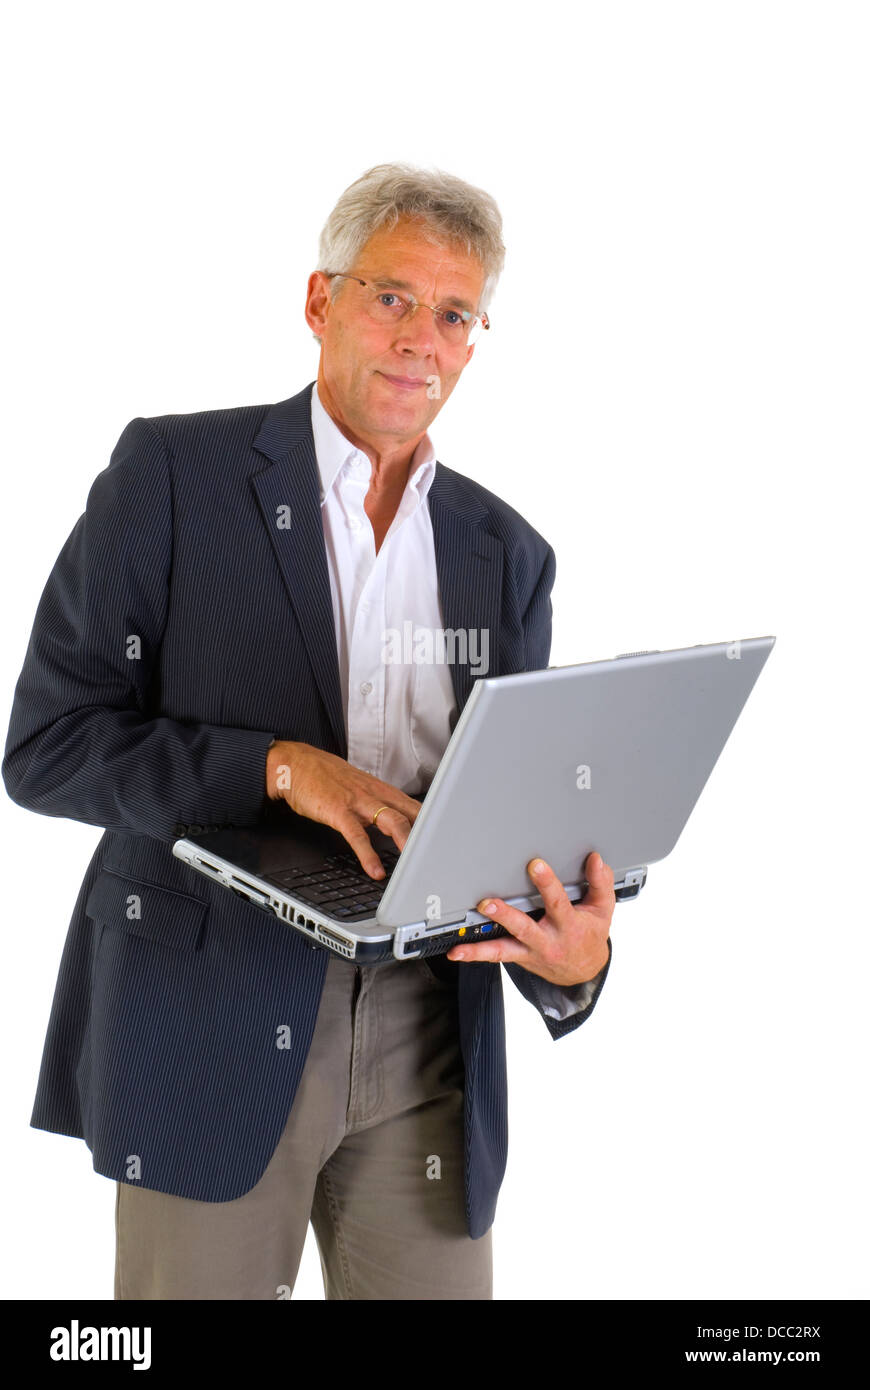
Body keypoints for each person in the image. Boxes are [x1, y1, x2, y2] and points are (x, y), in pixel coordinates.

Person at [3, 162, 615, 1301]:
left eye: (453, 313)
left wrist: (574, 966)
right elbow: (49, 745)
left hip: (433, 1042)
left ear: (475, 343)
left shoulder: (506, 552)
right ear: (319, 301)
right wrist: (280, 769)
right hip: (213, 1022)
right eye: (391, 296)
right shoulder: (175, 479)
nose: (421, 337)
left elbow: (513, 813)